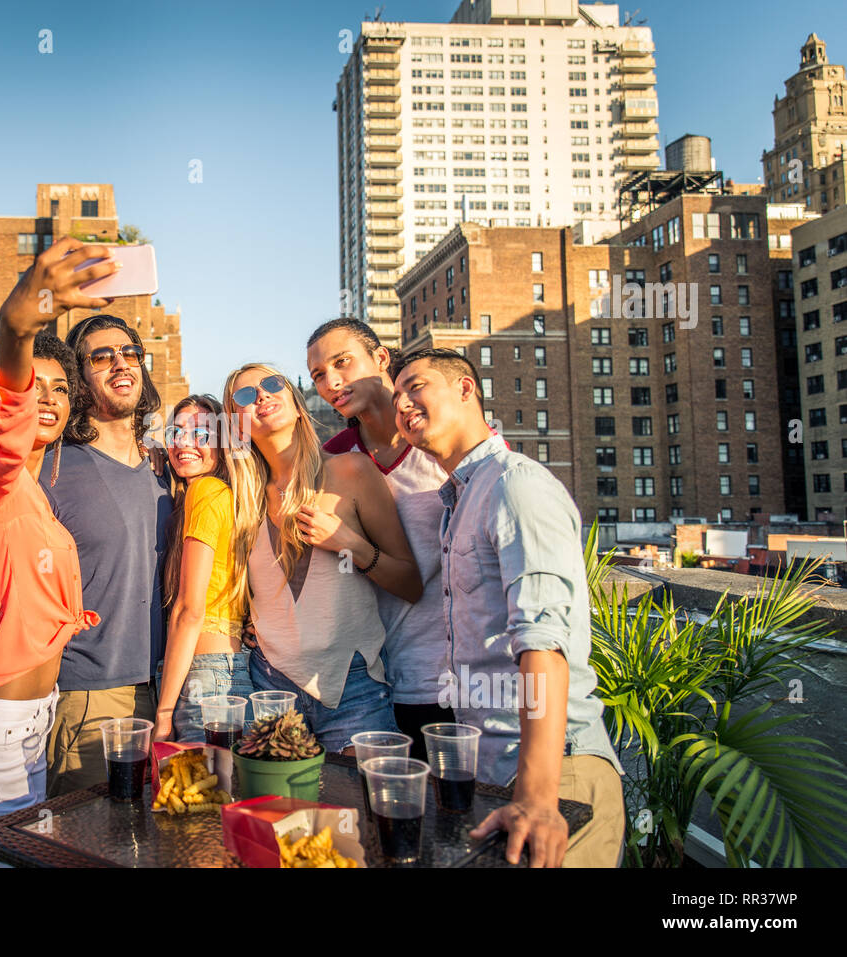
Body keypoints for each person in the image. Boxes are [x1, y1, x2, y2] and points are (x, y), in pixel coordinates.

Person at [392, 347, 624, 868]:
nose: (402, 403)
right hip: (498, 779)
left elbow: (543, 643)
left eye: (415, 386)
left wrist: (539, 799)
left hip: (555, 778)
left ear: (465, 389)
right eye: (395, 397)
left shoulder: (516, 485)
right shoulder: (458, 500)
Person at [0, 237, 115, 829]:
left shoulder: (37, 491)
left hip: (36, 720)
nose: (47, 396)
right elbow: (8, 408)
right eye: (32, 384)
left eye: (61, 388)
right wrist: (17, 323)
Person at [223, 363, 422, 752]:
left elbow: (411, 584)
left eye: (270, 384)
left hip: (354, 687)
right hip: (269, 687)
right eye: (245, 396)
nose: (261, 395)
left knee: (363, 808)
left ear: (297, 405)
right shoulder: (242, 498)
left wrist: (350, 543)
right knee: (280, 810)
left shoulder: (352, 470)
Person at [306, 319, 453, 761]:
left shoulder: (444, 445)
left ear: (382, 358)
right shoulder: (330, 460)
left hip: (449, 680)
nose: (331, 381)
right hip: (368, 683)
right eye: (317, 375)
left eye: (342, 362)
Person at [153, 395, 252, 743]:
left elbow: (189, 610)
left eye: (201, 434)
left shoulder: (207, 491)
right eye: (175, 432)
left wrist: (163, 714)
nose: (184, 443)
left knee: (200, 794)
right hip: (228, 671)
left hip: (204, 678)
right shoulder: (227, 496)